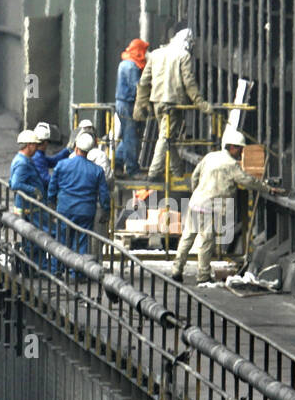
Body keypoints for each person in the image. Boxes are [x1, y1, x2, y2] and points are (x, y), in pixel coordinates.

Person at [171, 129, 282, 284]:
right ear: (232, 147)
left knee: (188, 237)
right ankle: (203, 276)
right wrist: (267, 188)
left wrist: (197, 192)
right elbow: (247, 180)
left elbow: (195, 176)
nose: (241, 153)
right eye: (240, 149)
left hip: (196, 202)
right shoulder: (231, 165)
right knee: (206, 242)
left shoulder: (210, 157)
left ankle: (176, 270)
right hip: (211, 206)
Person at [134, 27, 210, 180]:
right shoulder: (183, 56)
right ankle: (153, 173)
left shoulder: (156, 54)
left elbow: (144, 81)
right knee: (165, 137)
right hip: (173, 104)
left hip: (157, 102)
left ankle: (177, 172)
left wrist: (141, 103)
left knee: (169, 137)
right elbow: (189, 83)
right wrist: (201, 103)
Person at [48, 132, 110, 261]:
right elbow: (104, 195)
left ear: (76, 147)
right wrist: (105, 210)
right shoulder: (97, 170)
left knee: (61, 242)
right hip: (85, 212)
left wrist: (51, 203)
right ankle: (76, 274)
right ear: (90, 150)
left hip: (64, 210)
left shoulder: (62, 165)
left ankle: (57, 269)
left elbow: (52, 187)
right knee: (81, 244)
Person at [10, 129, 48, 273]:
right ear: (29, 145)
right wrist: (34, 190)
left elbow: (10, 182)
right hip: (31, 208)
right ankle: (38, 268)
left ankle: (30, 267)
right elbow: (15, 184)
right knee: (39, 236)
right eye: (35, 145)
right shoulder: (23, 163)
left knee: (30, 237)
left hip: (27, 206)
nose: (37, 148)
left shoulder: (20, 160)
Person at [115, 38, 148, 175]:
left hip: (121, 103)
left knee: (127, 136)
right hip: (128, 104)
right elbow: (136, 88)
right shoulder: (132, 67)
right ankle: (132, 169)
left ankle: (117, 162)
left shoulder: (125, 63)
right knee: (131, 137)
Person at [30, 122, 71, 190]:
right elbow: (46, 179)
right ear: (45, 142)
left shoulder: (38, 154)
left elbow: (52, 161)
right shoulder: (37, 157)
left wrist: (67, 150)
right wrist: (64, 182)